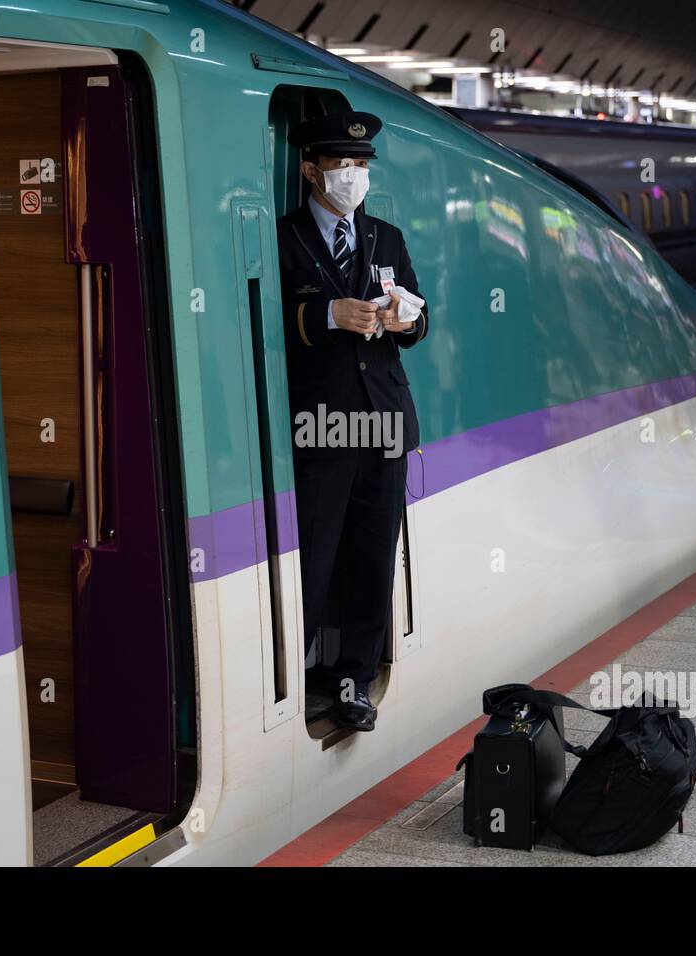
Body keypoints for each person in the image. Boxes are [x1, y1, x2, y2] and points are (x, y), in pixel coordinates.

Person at [275, 110, 429, 732]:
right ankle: (292, 677)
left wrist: (405, 321)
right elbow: (267, 322)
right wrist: (328, 316)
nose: (353, 176)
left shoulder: (385, 237)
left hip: (384, 421)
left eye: (361, 166)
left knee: (371, 554)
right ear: (310, 168)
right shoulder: (282, 238)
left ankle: (353, 680)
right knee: (316, 550)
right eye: (342, 165)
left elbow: (420, 321)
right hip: (320, 425)